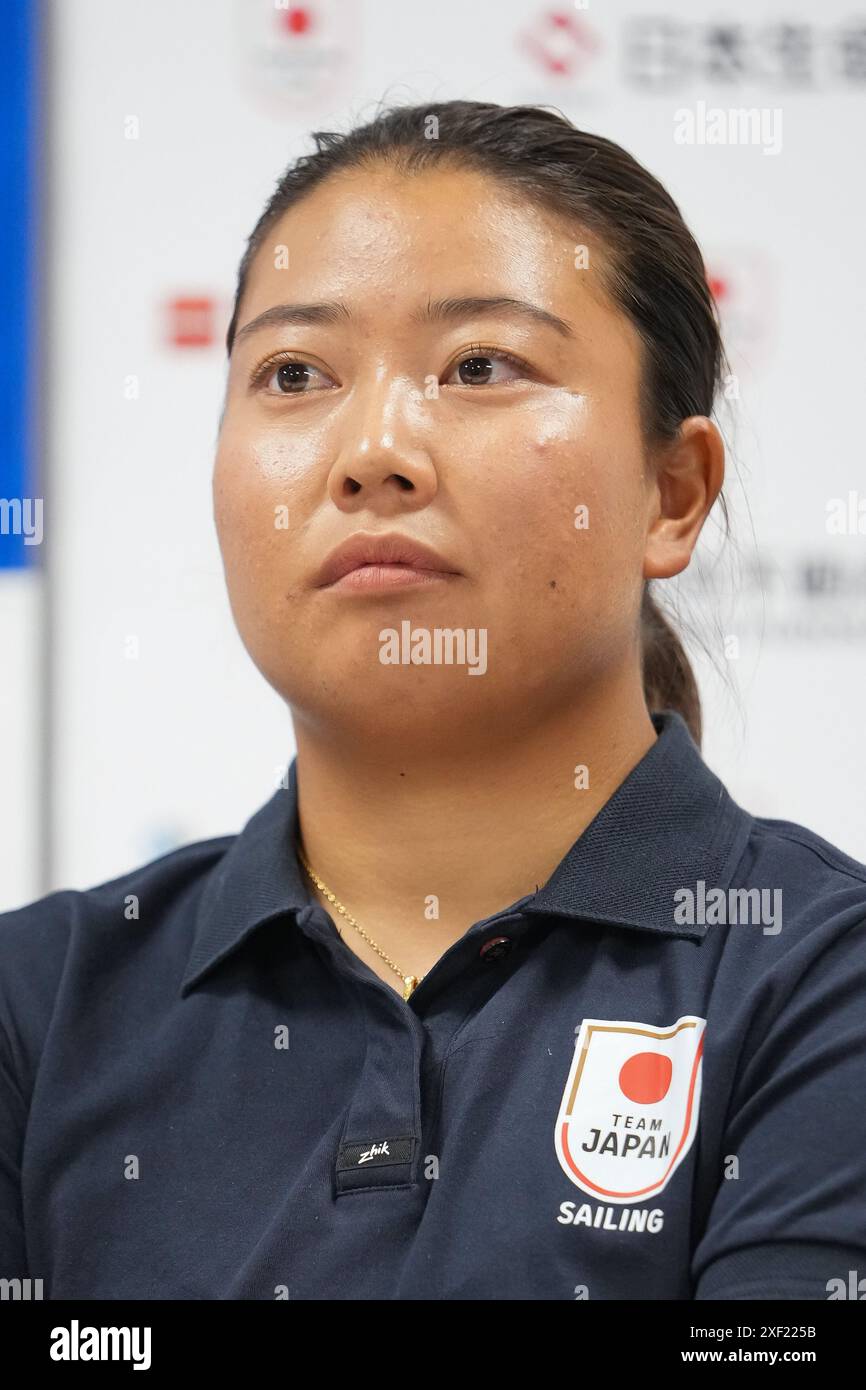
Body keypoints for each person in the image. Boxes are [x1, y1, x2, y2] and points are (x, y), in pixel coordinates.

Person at [2, 100, 865, 1301]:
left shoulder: (820, 982)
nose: (372, 450)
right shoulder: (38, 1009)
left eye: (478, 366)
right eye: (294, 372)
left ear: (671, 492)